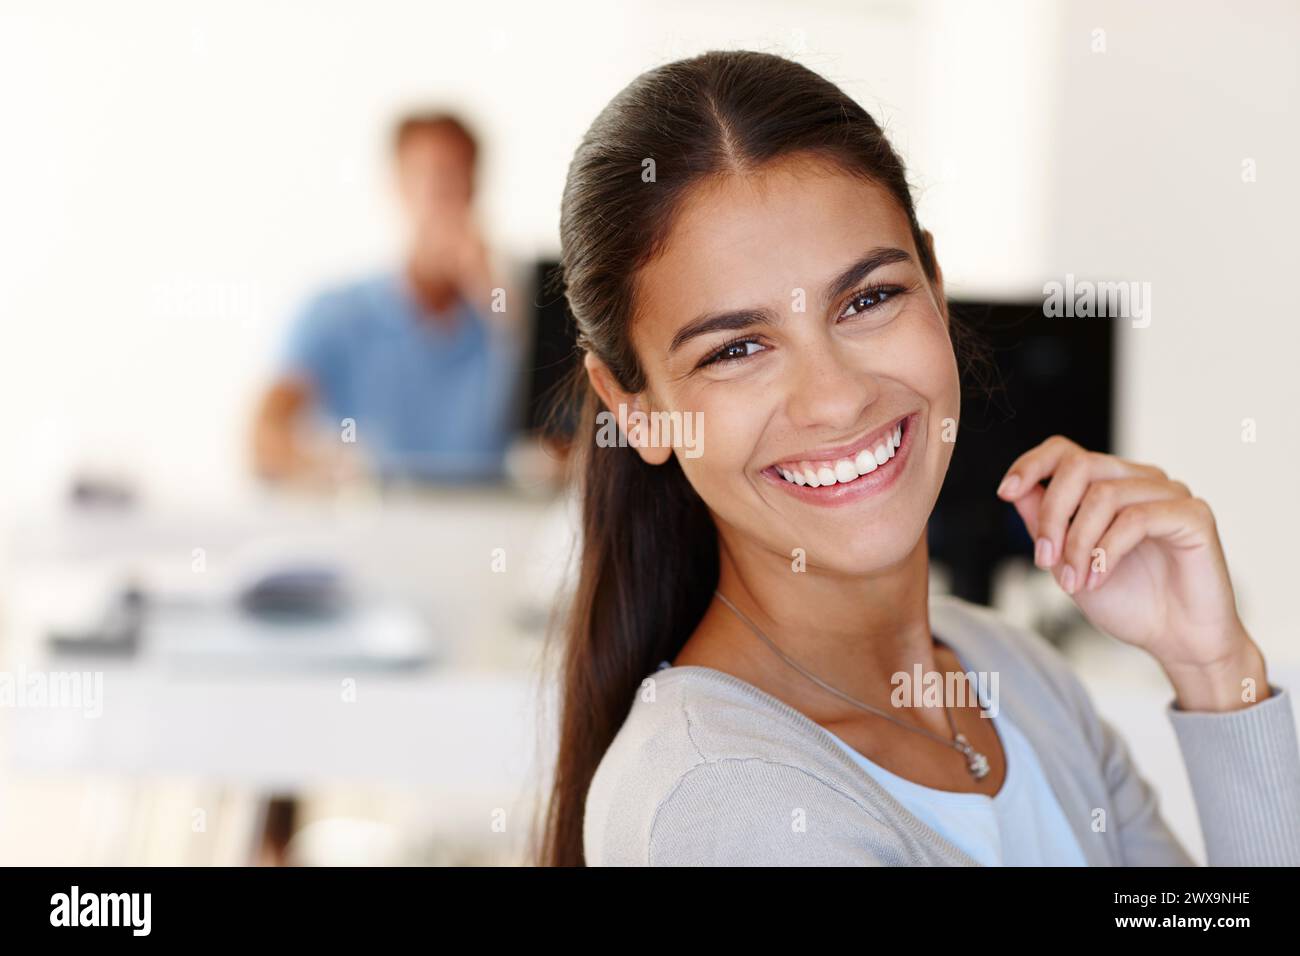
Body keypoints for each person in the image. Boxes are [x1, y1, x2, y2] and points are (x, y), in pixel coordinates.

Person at [537, 51, 1300, 866]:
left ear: (935, 285)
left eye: (868, 299)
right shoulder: (727, 803)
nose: (833, 398)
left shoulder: (1015, 675)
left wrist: (1216, 671)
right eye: (736, 349)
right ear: (636, 410)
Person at [252, 110, 521, 485]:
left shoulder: (509, 317)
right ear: (397, 187)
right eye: (427, 178)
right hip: (370, 532)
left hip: (483, 533)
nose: (440, 197)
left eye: (455, 177)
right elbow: (263, 436)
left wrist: (508, 313)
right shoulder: (335, 314)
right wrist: (323, 470)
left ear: (475, 188)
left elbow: (569, 442)